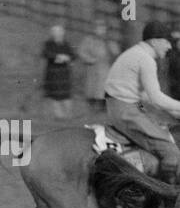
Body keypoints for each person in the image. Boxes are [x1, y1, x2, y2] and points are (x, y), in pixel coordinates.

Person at [101, 20, 180, 184]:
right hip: (126, 111)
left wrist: (174, 113)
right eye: (167, 42)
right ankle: (168, 197)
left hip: (122, 108)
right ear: (155, 41)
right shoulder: (145, 60)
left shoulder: (135, 53)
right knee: (171, 152)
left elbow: (146, 97)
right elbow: (157, 98)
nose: (170, 47)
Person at [76, 21, 114, 112]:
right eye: (99, 28)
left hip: (105, 68)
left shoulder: (108, 41)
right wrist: (90, 59)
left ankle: (104, 108)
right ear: (95, 29)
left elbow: (114, 53)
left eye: (103, 29)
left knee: (105, 89)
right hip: (93, 68)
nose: (101, 31)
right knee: (93, 89)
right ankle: (92, 108)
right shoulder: (89, 40)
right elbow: (81, 52)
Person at [40, 23, 75, 118]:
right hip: (52, 73)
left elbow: (73, 55)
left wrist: (67, 57)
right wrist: (57, 56)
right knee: (54, 95)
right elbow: (46, 53)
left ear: (63, 33)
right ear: (52, 33)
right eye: (55, 32)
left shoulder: (66, 44)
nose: (58, 34)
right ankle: (59, 115)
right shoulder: (48, 44)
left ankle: (68, 114)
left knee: (65, 95)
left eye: (60, 32)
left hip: (64, 74)